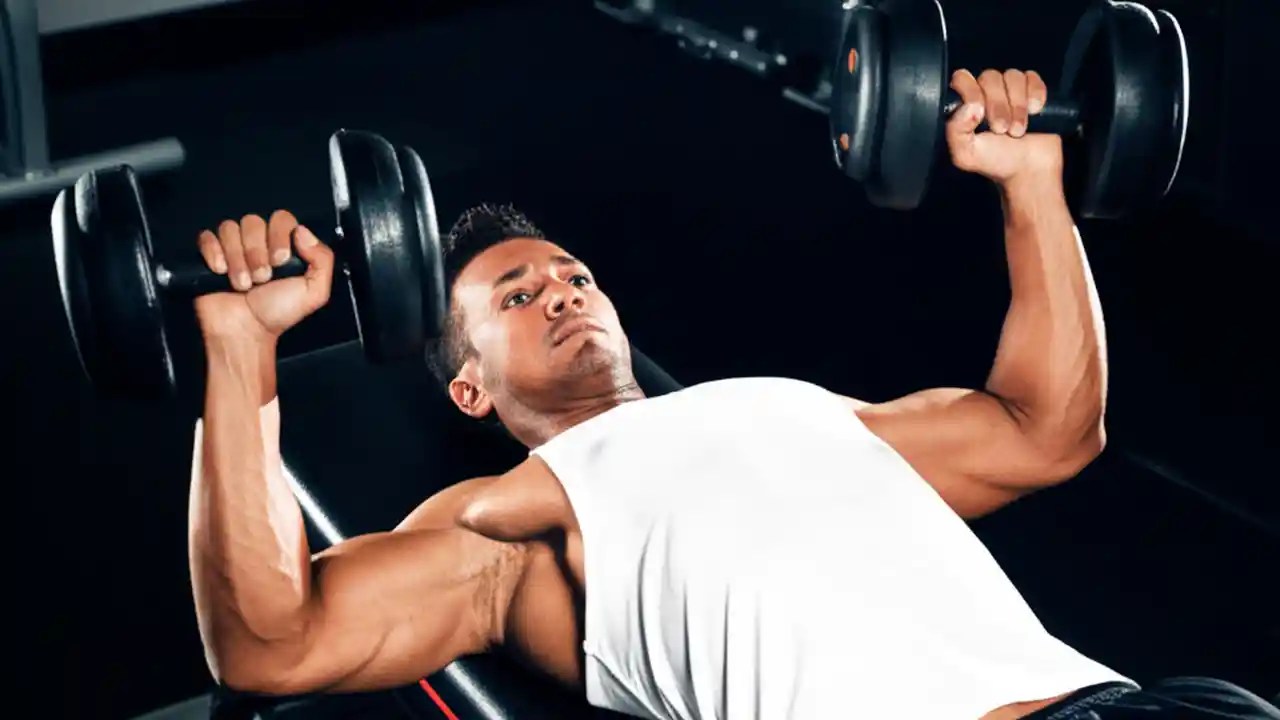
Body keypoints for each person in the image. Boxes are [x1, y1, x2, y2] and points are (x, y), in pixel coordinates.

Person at [187, 68, 1279, 720]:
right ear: (467, 388)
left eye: (572, 274)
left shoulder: (789, 405)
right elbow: (270, 646)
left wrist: (1032, 187)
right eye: (515, 295)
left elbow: (1047, 430)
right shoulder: (509, 528)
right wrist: (240, 353)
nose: (561, 292)